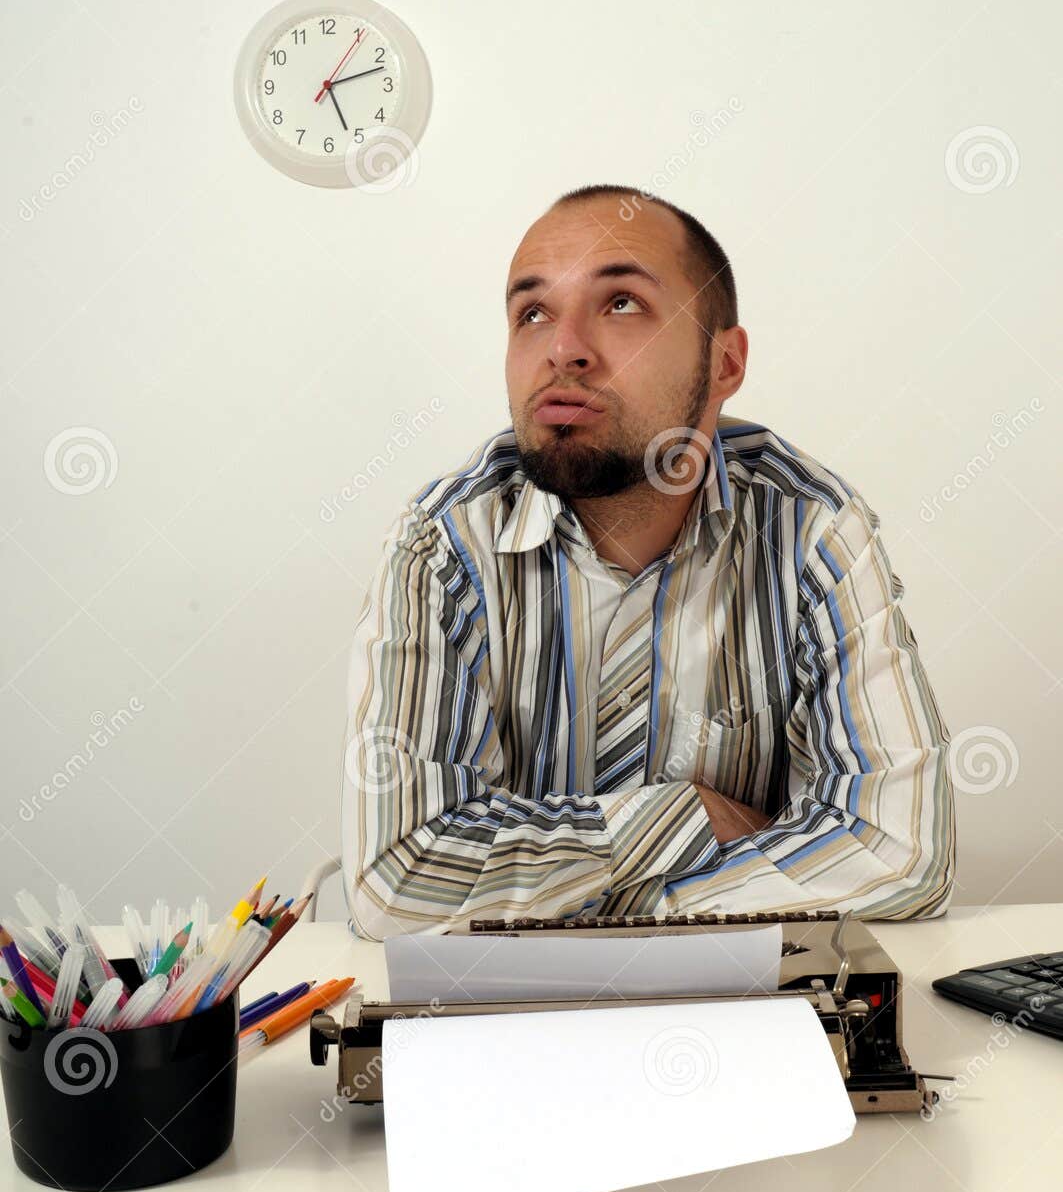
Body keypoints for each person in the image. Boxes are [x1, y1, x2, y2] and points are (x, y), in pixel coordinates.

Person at [342, 185, 955, 937]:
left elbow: (898, 855)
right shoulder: (441, 545)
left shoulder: (810, 531)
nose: (562, 347)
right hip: (496, 1022)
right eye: (530, 313)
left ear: (723, 362)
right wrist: (686, 816)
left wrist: (588, 913)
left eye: (621, 303)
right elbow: (397, 882)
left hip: (743, 1021)